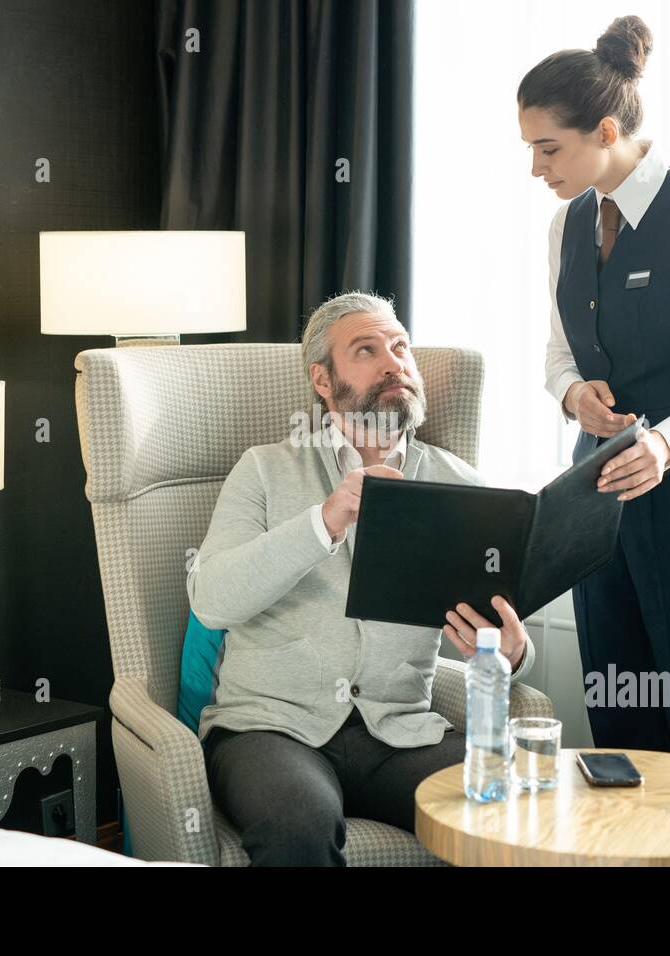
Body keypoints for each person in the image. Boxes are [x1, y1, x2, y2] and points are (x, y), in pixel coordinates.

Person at [188, 291, 536, 865]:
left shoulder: (464, 490)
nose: (394, 362)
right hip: (270, 730)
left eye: (401, 348)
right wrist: (324, 521)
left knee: (508, 805)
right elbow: (212, 601)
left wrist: (511, 650)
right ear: (323, 381)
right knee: (296, 825)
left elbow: (503, 630)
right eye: (367, 350)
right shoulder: (265, 470)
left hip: (400, 734)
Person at [518, 15, 670, 763]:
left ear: (606, 129)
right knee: (619, 732)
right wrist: (572, 396)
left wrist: (662, 442)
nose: (536, 168)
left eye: (548, 148)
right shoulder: (566, 226)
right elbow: (558, 355)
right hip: (602, 507)